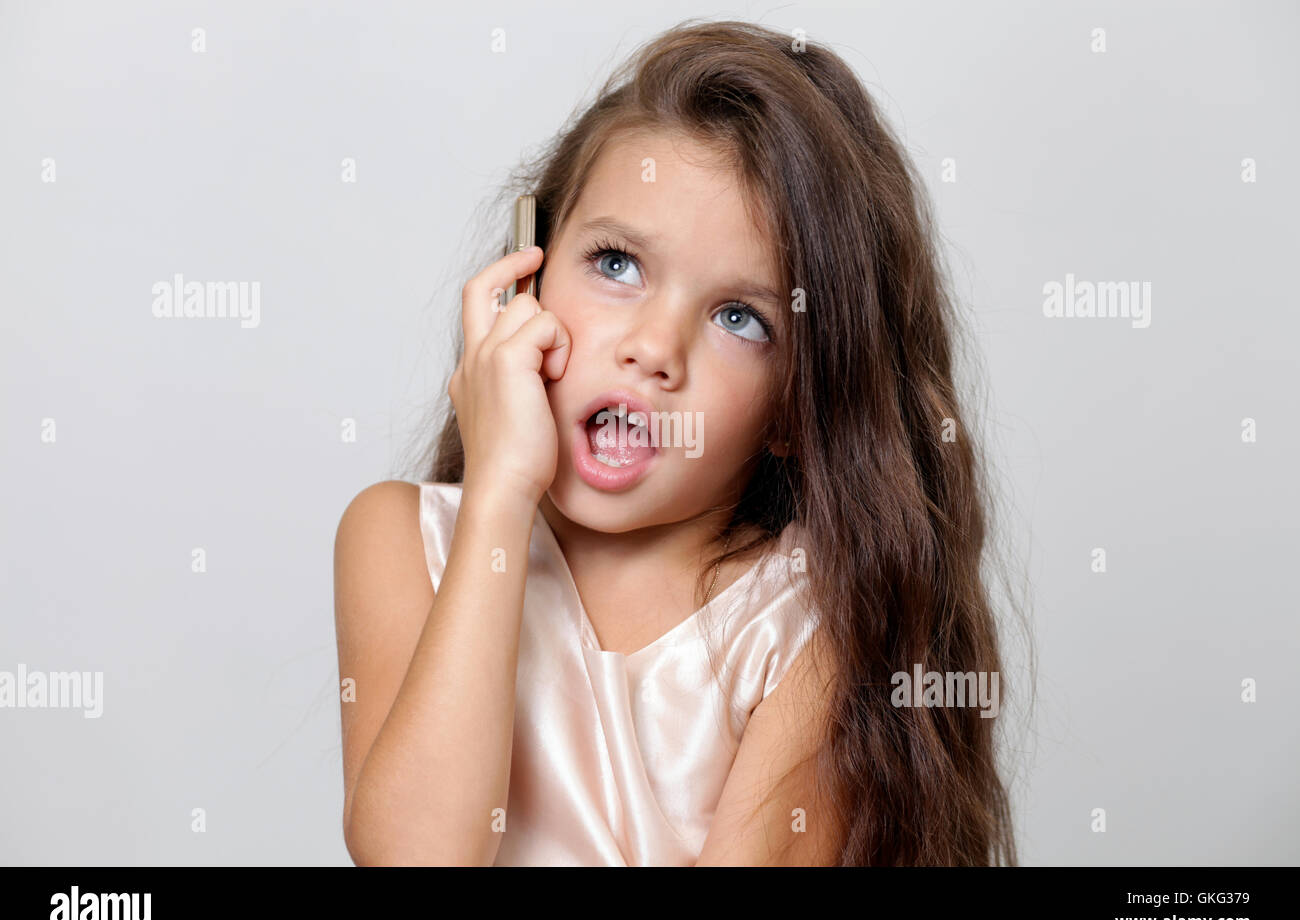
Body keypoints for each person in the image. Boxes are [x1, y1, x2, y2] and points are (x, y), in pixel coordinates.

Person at [334, 18, 1019, 866]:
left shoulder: (802, 628)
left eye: (740, 318)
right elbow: (414, 856)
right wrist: (500, 495)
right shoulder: (402, 539)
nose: (654, 349)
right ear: (525, 279)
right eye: (617, 263)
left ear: (795, 410)